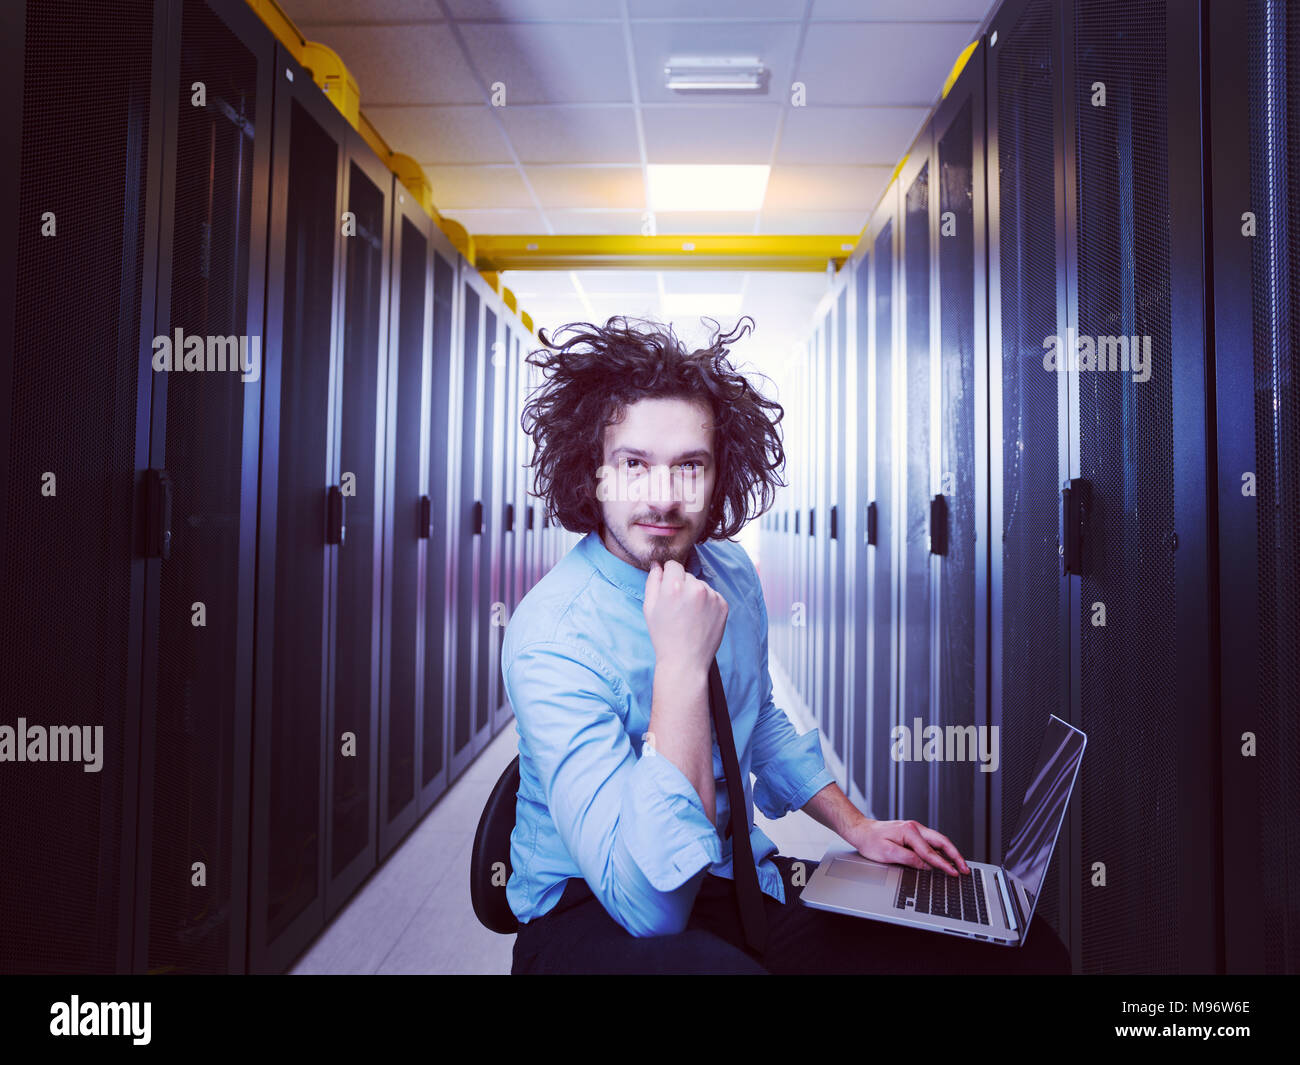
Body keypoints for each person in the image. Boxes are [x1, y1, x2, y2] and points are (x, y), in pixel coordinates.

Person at [501, 316, 1070, 975]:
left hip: (731, 883)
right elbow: (646, 905)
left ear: (719, 477)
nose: (662, 497)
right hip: (594, 911)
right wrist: (680, 668)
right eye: (634, 464)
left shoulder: (731, 573)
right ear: (593, 472)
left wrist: (856, 827)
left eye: (690, 466)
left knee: (1022, 952)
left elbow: (757, 718)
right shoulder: (552, 636)